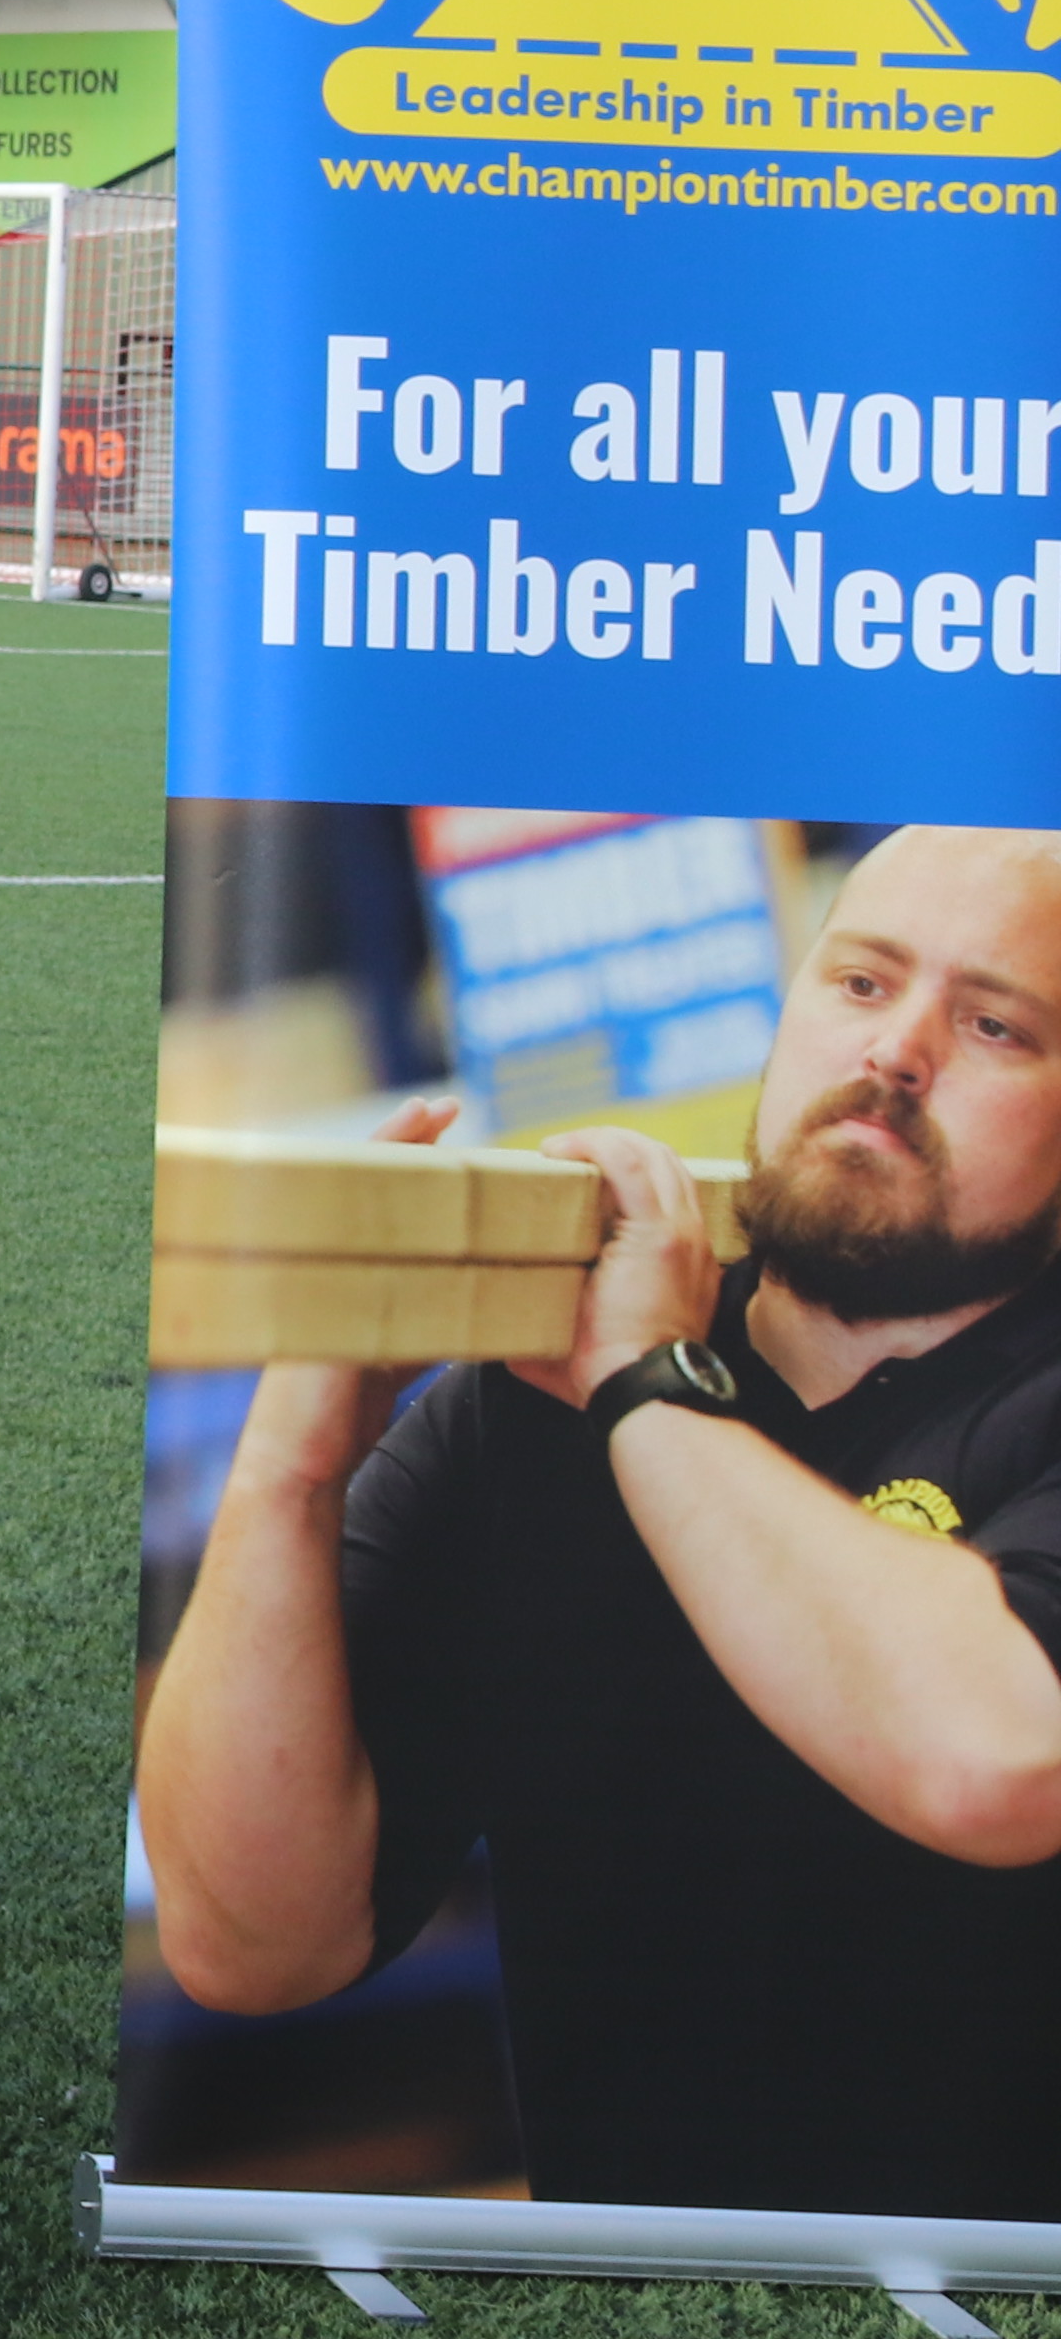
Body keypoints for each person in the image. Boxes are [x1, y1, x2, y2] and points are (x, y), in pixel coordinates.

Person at [136, 824, 1061, 2221]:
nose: (897, 1052)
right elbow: (250, 1946)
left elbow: (999, 1760)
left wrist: (646, 1389)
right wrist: (293, 1470)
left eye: (996, 1024)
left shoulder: (625, 1381)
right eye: (861, 984)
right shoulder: (529, 1397)